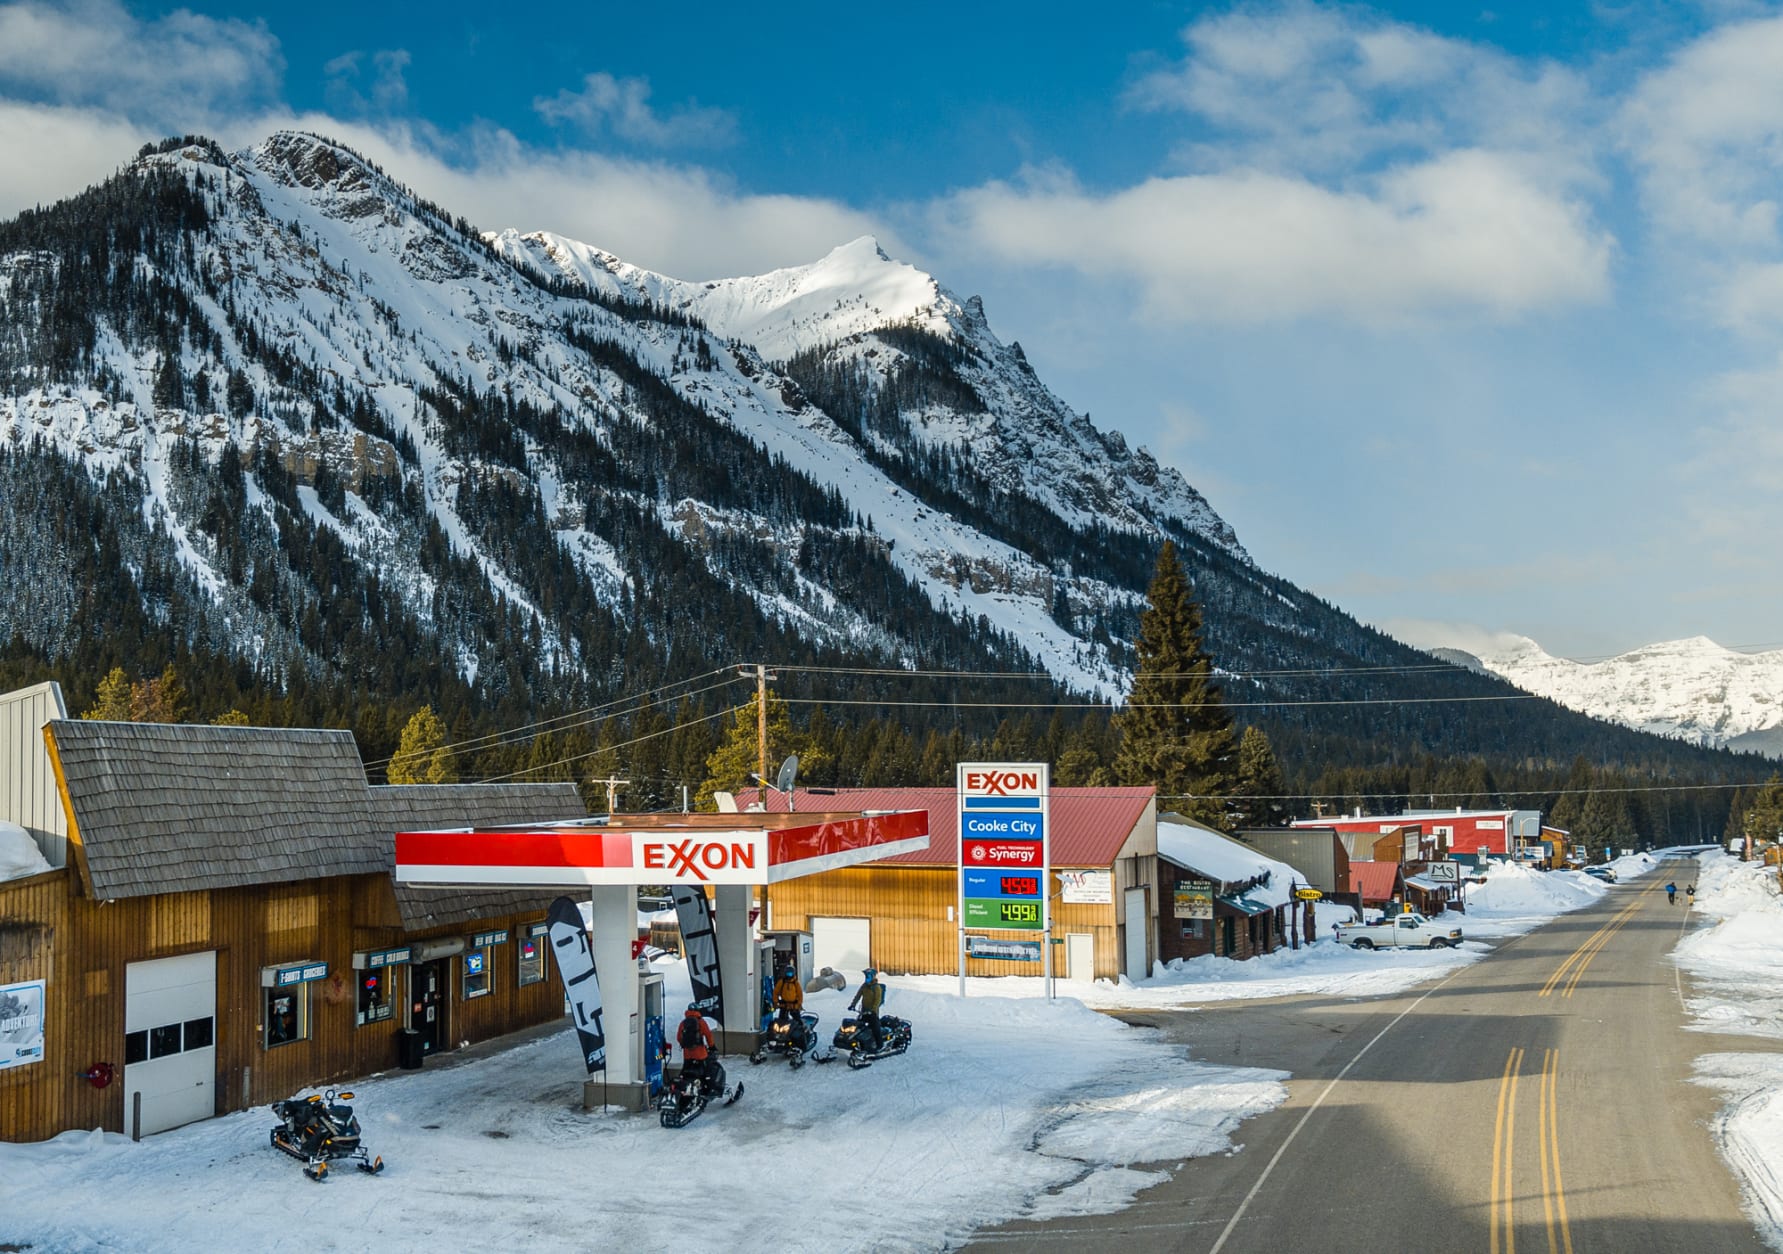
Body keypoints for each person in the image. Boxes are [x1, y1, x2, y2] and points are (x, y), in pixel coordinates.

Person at [677, 1003, 719, 1096]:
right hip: (700, 1054)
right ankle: (709, 1089)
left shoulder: (683, 1023)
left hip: (687, 1054)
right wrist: (712, 1046)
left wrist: (686, 1045)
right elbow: (708, 1035)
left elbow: (679, 1037)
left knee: (685, 1072)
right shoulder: (701, 1022)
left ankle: (681, 1088)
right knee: (707, 1071)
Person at [772, 961, 807, 1052]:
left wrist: (798, 1004)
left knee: (797, 1022)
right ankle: (781, 1039)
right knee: (781, 1022)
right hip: (784, 1004)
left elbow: (800, 994)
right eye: (788, 973)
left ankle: (803, 1040)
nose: (789, 975)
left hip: (793, 1005)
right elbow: (776, 992)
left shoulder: (796, 983)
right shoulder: (782, 982)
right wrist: (776, 1002)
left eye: (791, 973)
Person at [849, 968, 885, 1052]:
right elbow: (858, 996)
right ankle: (860, 1044)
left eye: (868, 976)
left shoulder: (877, 987)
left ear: (873, 976)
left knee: (876, 1028)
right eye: (866, 976)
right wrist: (853, 1005)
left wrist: (873, 1010)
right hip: (863, 1011)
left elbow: (878, 1000)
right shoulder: (864, 986)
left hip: (873, 1013)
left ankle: (880, 1045)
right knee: (858, 1027)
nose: (866, 978)